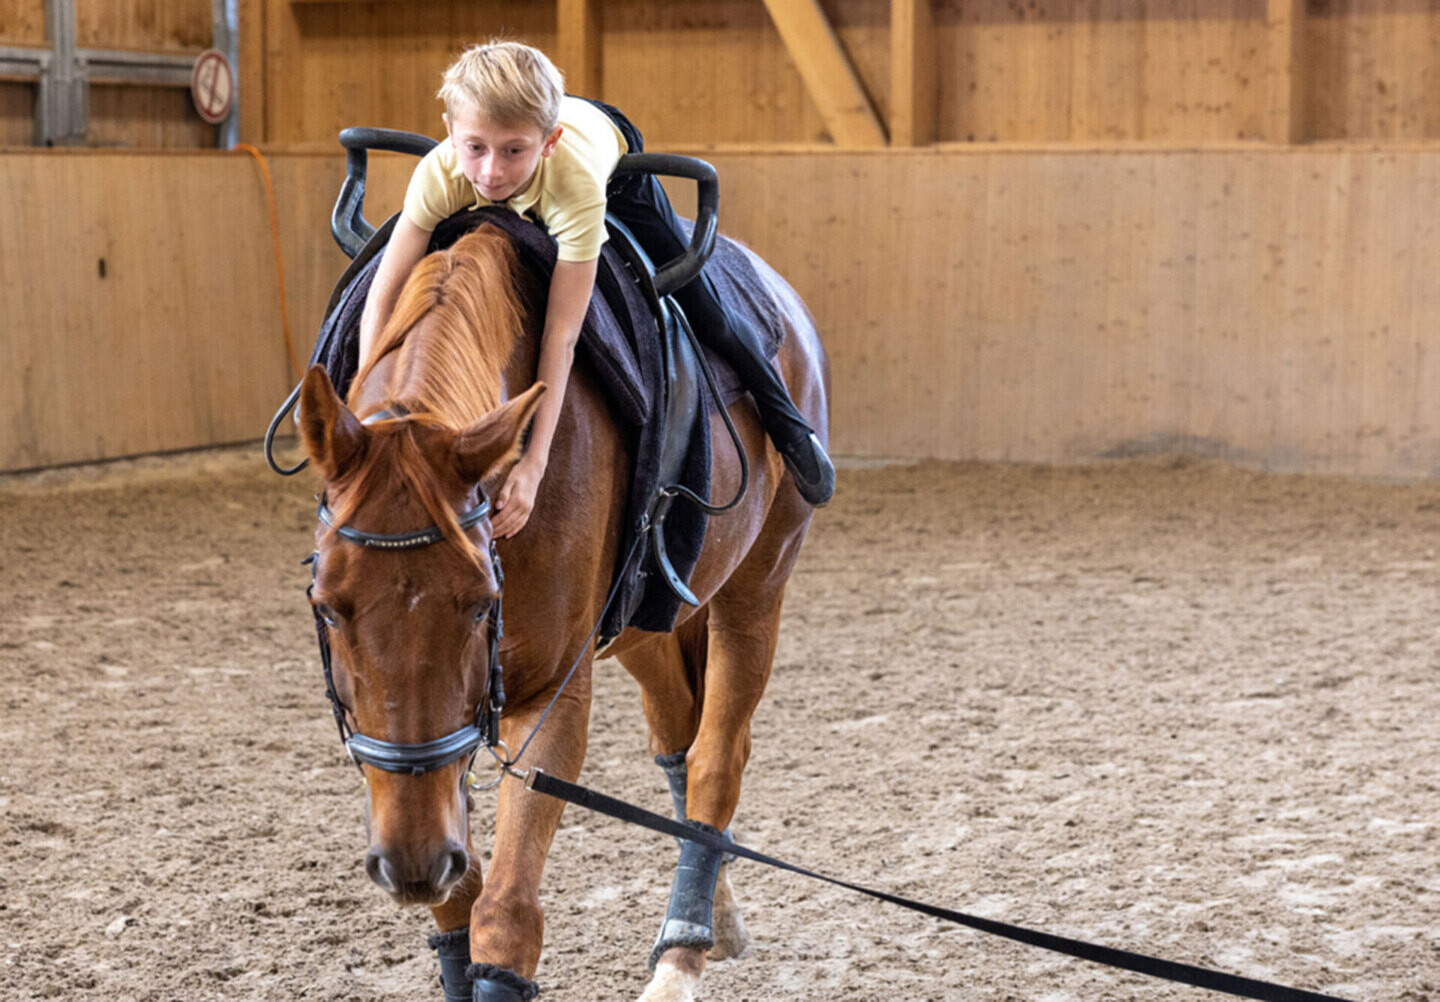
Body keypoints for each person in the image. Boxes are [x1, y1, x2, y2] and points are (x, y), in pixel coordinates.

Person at [359, 41, 834, 538]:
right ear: (450, 132)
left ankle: (790, 428)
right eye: (474, 147)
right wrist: (367, 422)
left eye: (513, 151)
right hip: (534, 151)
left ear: (548, 141)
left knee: (701, 303)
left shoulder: (574, 183)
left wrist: (533, 466)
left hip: (609, 164)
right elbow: (382, 301)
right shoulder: (441, 171)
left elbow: (562, 336)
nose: (491, 172)